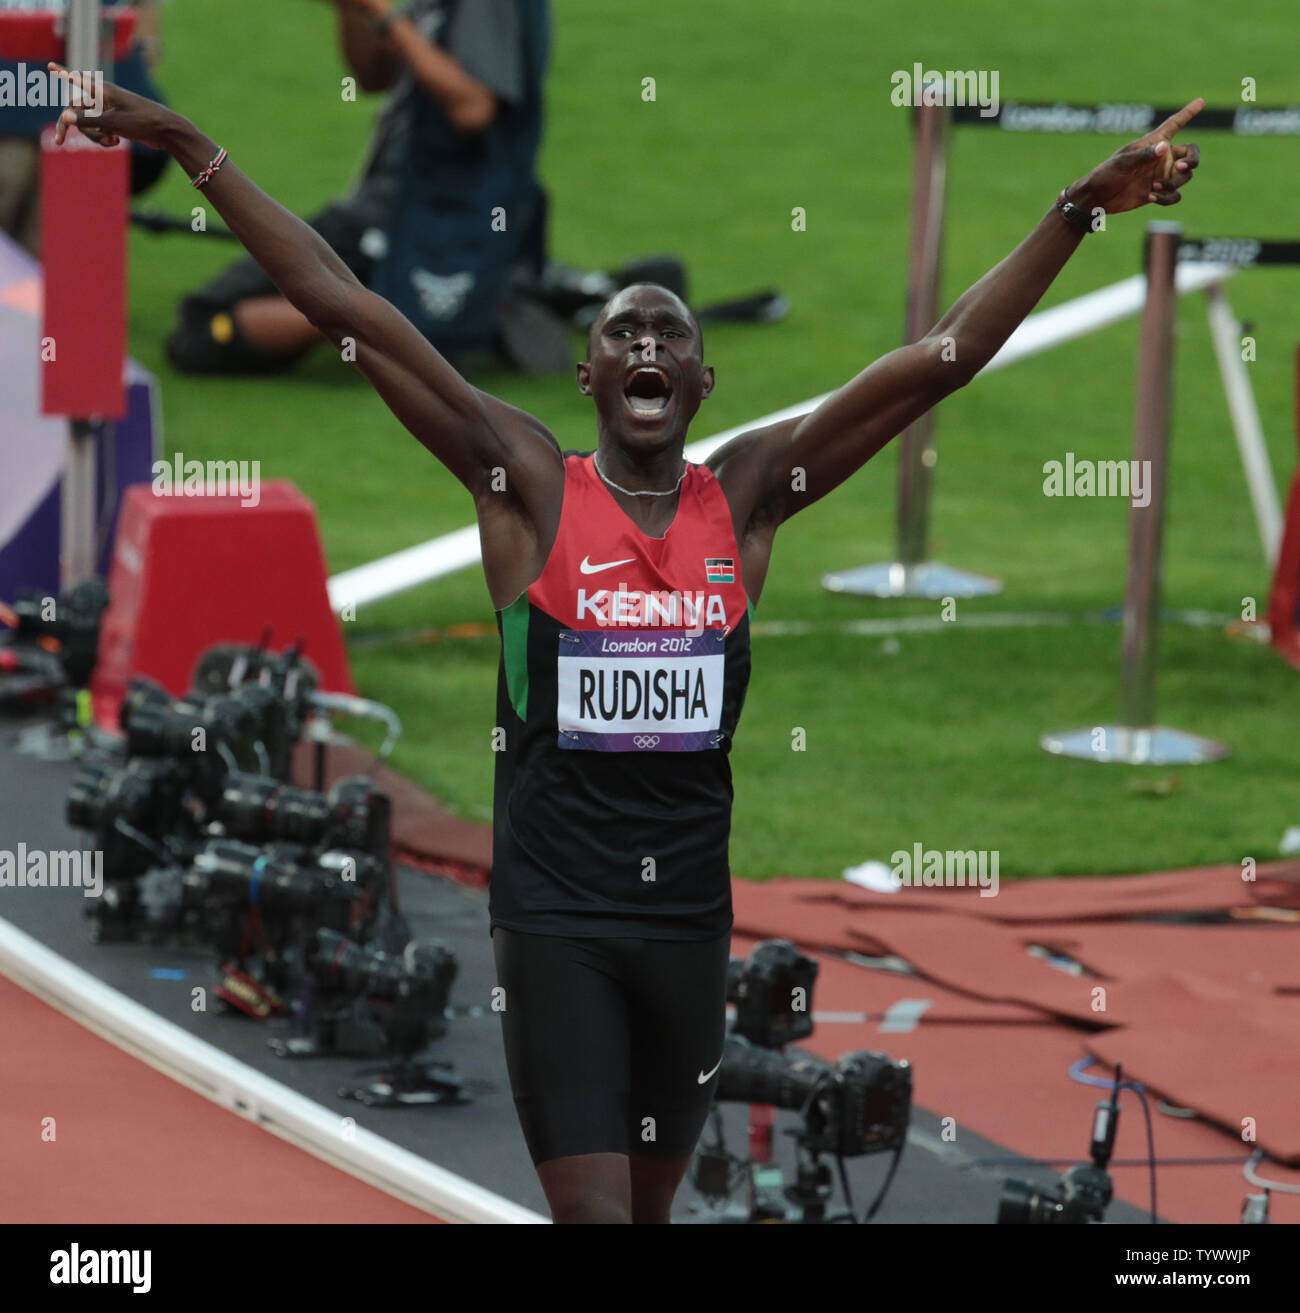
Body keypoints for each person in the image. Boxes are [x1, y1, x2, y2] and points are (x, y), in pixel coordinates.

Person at [47, 63, 1202, 1223]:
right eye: (621, 331)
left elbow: (941, 356)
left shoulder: (748, 497)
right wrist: (190, 143)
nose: (645, 341)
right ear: (587, 371)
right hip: (556, 920)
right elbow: (347, 305)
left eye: (669, 333)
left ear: (702, 380)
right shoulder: (524, 485)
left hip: (689, 923)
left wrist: (1080, 206)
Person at [166, 0, 552, 374]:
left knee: (204, 332)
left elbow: (473, 107)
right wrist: (352, 10)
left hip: (421, 213)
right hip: (411, 211)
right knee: (204, 322)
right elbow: (372, 75)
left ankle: (400, 309)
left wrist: (385, 15)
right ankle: (444, 305)